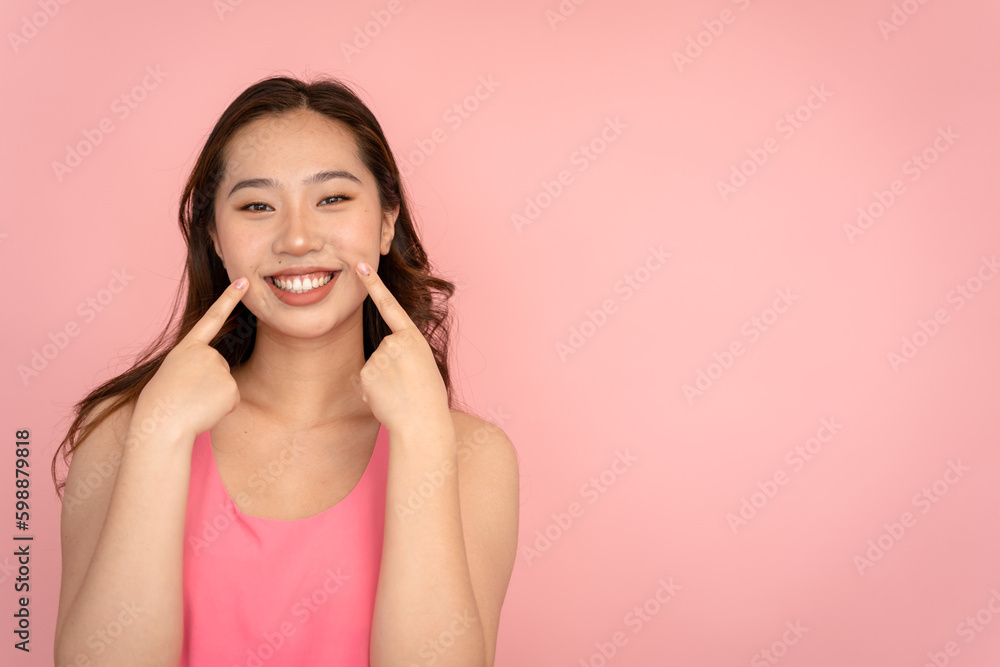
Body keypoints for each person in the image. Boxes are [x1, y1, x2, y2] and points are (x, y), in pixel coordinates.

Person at [51, 74, 519, 666]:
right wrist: (158, 438)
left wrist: (424, 439)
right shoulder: (120, 430)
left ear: (386, 222)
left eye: (332, 199)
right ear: (216, 238)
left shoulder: (473, 457)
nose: (297, 238)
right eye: (256, 206)